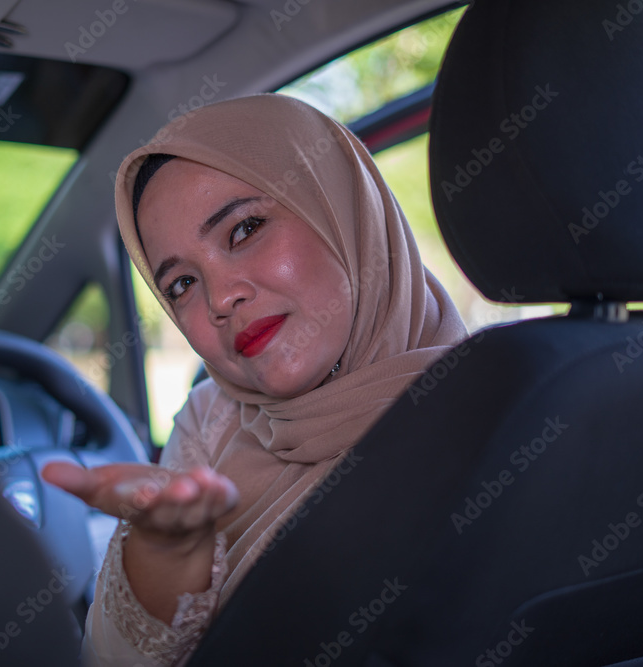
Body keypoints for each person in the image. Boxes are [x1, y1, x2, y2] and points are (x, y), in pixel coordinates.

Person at [42, 93, 467, 666]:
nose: (221, 298)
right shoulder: (212, 419)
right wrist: (162, 556)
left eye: (244, 229)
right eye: (181, 284)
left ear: (343, 212)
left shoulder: (501, 416)